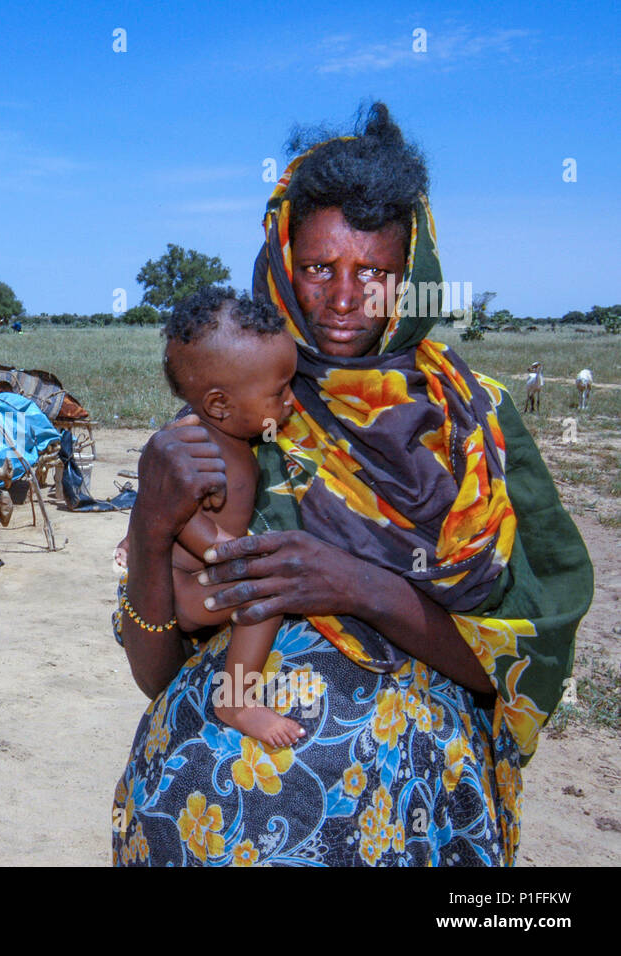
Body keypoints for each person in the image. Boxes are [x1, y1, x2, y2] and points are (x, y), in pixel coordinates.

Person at [112, 103, 592, 866]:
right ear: (279, 260)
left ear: (411, 276)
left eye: (374, 272)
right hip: (197, 818)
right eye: (317, 267)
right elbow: (154, 671)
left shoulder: (476, 421)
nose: (344, 298)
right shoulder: (232, 409)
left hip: (409, 809)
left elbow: (508, 670)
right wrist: (148, 523)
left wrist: (359, 585)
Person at [117, 286, 304, 747]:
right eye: (279, 393)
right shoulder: (199, 446)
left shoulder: (235, 435)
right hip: (187, 587)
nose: (291, 402)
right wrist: (219, 547)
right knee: (263, 603)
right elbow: (175, 512)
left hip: (202, 578)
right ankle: (236, 700)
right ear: (220, 404)